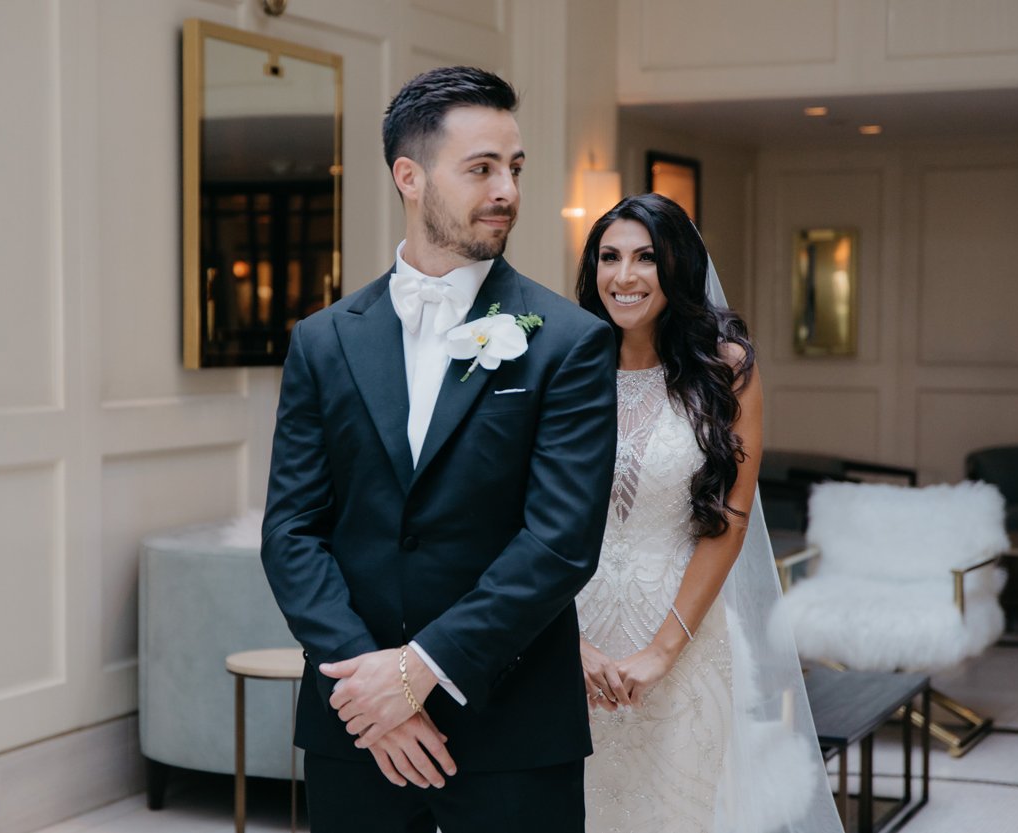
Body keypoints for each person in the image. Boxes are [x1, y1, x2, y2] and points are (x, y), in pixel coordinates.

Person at [261, 66, 617, 833]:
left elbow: (560, 543)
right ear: (410, 176)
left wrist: (416, 672)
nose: (507, 191)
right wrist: (370, 692)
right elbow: (291, 531)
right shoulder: (322, 341)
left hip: (514, 728)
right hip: (356, 727)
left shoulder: (569, 343)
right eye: (482, 168)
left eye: (514, 169)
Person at [574, 193, 842, 833]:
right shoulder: (568, 362)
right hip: (570, 628)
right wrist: (567, 645)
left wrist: (662, 652)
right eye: (609, 257)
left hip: (680, 630)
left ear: (678, 266)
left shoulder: (726, 370)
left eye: (646, 258)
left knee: (678, 809)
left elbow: (731, 515)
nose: (624, 276)